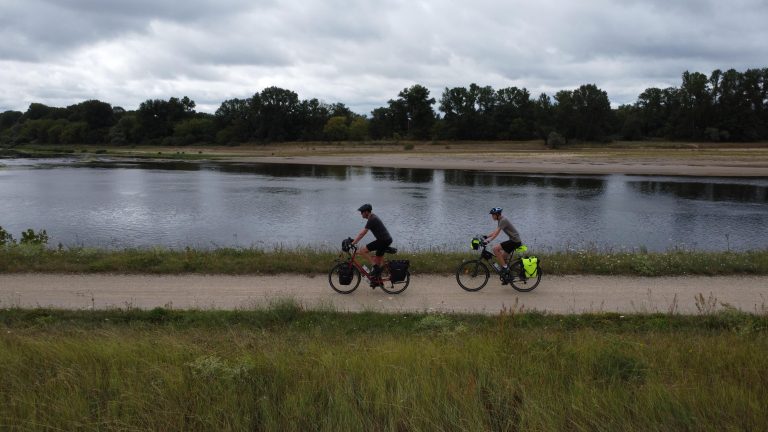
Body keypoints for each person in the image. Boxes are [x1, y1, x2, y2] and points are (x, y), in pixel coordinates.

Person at [351, 203, 393, 281]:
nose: (361, 214)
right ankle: (377, 280)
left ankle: (375, 268)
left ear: (367, 212)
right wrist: (353, 241)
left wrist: (353, 243)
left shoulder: (372, 219)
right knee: (377, 260)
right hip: (385, 240)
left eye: (362, 212)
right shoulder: (373, 217)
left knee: (363, 251)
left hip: (383, 241)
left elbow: (362, 233)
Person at [484, 207, 522, 281]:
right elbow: (495, 231)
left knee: (495, 249)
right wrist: (486, 236)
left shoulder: (503, 220)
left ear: (497, 214)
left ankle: (505, 268)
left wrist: (488, 241)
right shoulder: (500, 220)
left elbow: (496, 234)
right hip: (514, 241)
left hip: (514, 241)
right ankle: (508, 276)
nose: (492, 216)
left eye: (493, 215)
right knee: (503, 258)